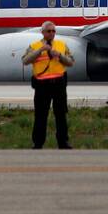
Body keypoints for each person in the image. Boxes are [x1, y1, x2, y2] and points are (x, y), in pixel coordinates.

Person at [21, 21, 74, 149]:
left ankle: (63, 142)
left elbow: (71, 62)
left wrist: (60, 56)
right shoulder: (34, 46)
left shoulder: (61, 45)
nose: (51, 33)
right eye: (49, 31)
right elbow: (25, 60)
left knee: (61, 115)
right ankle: (38, 143)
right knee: (40, 115)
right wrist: (40, 51)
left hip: (59, 84)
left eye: (53, 31)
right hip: (42, 85)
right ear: (43, 32)